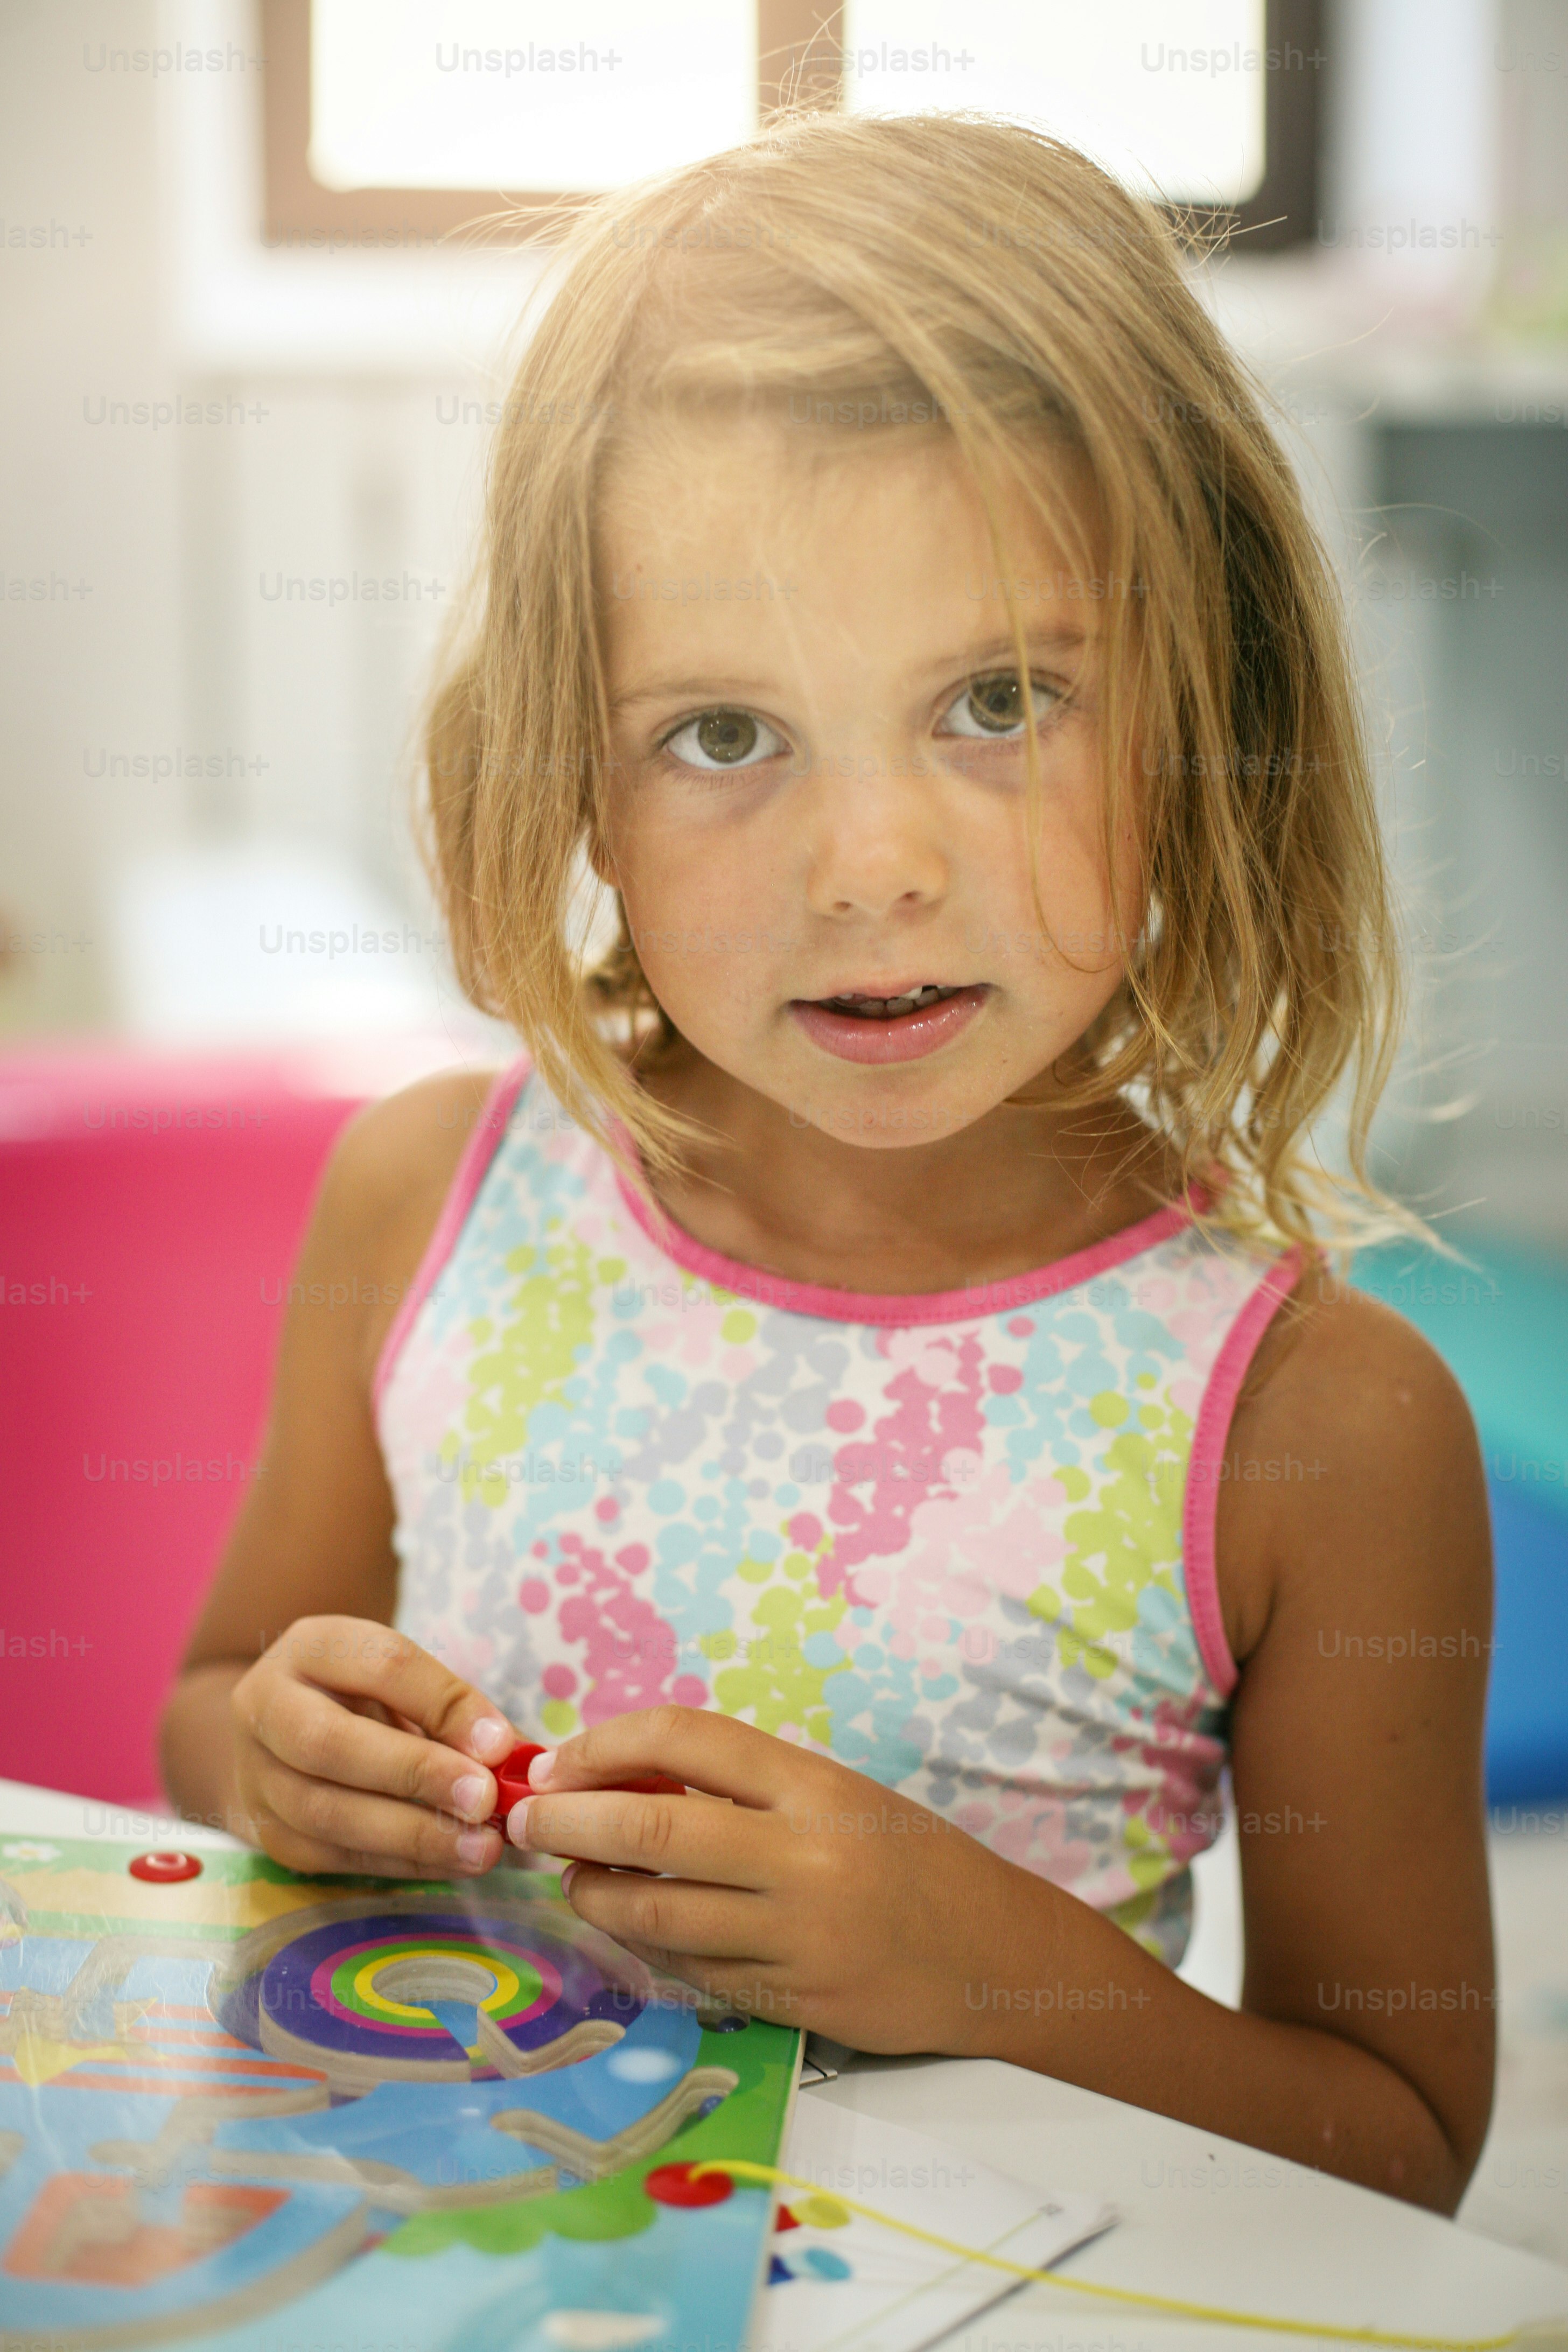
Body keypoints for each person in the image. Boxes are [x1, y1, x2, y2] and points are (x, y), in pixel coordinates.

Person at [161, 112, 1494, 2214]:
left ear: (1201, 705)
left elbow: (1396, 2153)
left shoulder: (1322, 1430)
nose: (867, 872)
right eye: (721, 735)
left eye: (995, 699)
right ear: (567, 771)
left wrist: (978, 1969)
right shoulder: (425, 1203)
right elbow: (219, 1700)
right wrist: (279, 1755)